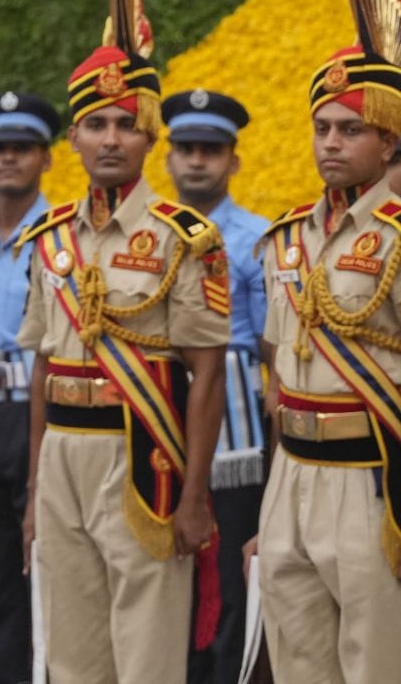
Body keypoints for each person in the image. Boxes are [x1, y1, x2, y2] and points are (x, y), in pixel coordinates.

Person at [16, 0, 228, 680]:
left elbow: (205, 373)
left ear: (148, 139)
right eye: (95, 125)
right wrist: (33, 493)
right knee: (72, 653)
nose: (111, 140)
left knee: (145, 653)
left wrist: (196, 494)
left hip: (144, 454)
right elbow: (44, 367)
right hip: (62, 459)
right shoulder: (50, 240)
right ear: (74, 136)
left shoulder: (184, 237)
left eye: (126, 127)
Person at [252, 0, 401, 679]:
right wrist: (269, 507)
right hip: (293, 474)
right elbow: (276, 371)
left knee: (375, 665)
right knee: (298, 665)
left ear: (391, 140)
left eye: (352, 128)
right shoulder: (286, 240)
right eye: (321, 128)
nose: (332, 142)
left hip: (374, 476)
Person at [161, 88, 269, 684]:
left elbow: (273, 348)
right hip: (158, 430)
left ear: (233, 160)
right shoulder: (152, 234)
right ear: (169, 156)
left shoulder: (257, 239)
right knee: (164, 581)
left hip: (235, 436)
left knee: (227, 588)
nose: (197, 160)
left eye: (212, 149)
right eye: (186, 148)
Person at [0, 89, 61, 684]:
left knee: (49, 568)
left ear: (45, 158)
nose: (8, 159)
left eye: (21, 148)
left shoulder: (63, 235)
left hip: (41, 409)